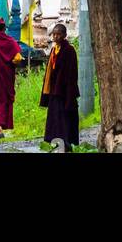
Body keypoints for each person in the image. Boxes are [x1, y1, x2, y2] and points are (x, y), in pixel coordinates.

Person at [40, 22, 79, 151]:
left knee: (65, 117)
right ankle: (54, 140)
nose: (55, 37)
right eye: (54, 35)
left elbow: (72, 72)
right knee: (54, 117)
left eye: (58, 34)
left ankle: (66, 143)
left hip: (65, 90)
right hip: (54, 89)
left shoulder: (69, 50)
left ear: (64, 35)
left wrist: (69, 91)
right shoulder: (53, 50)